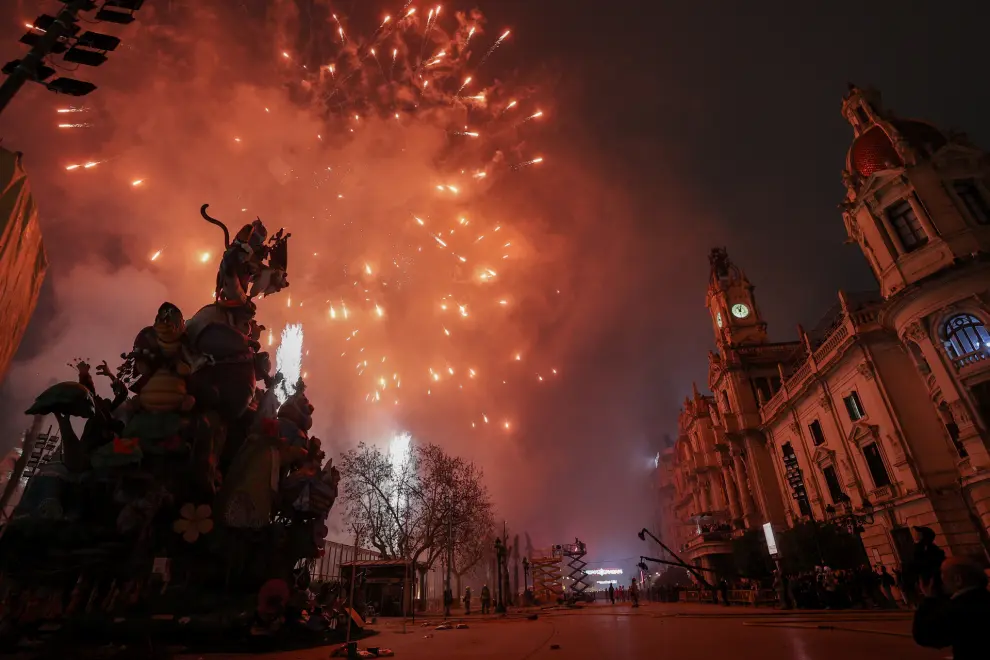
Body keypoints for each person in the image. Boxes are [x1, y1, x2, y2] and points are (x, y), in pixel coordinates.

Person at [912, 556, 990, 660]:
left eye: (943, 575)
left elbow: (925, 635)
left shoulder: (960, 608)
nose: (941, 582)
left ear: (958, 579)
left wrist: (929, 598)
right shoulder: (983, 598)